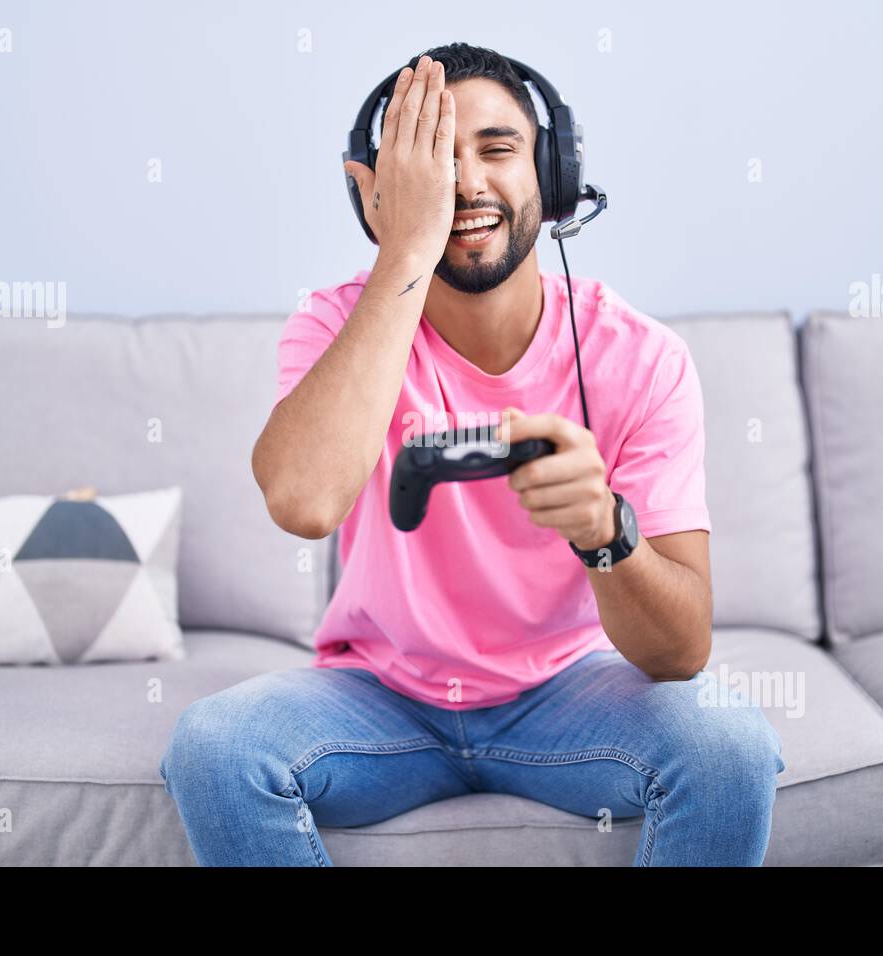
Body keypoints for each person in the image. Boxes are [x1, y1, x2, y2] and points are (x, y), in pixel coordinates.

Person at [159, 42, 784, 866]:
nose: (467, 182)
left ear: (553, 174)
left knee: (729, 746)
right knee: (212, 748)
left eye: (497, 149)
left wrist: (607, 530)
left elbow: (681, 652)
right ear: (374, 193)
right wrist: (408, 249)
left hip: (569, 692)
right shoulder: (333, 323)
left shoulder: (642, 357)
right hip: (382, 696)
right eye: (431, 163)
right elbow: (302, 503)